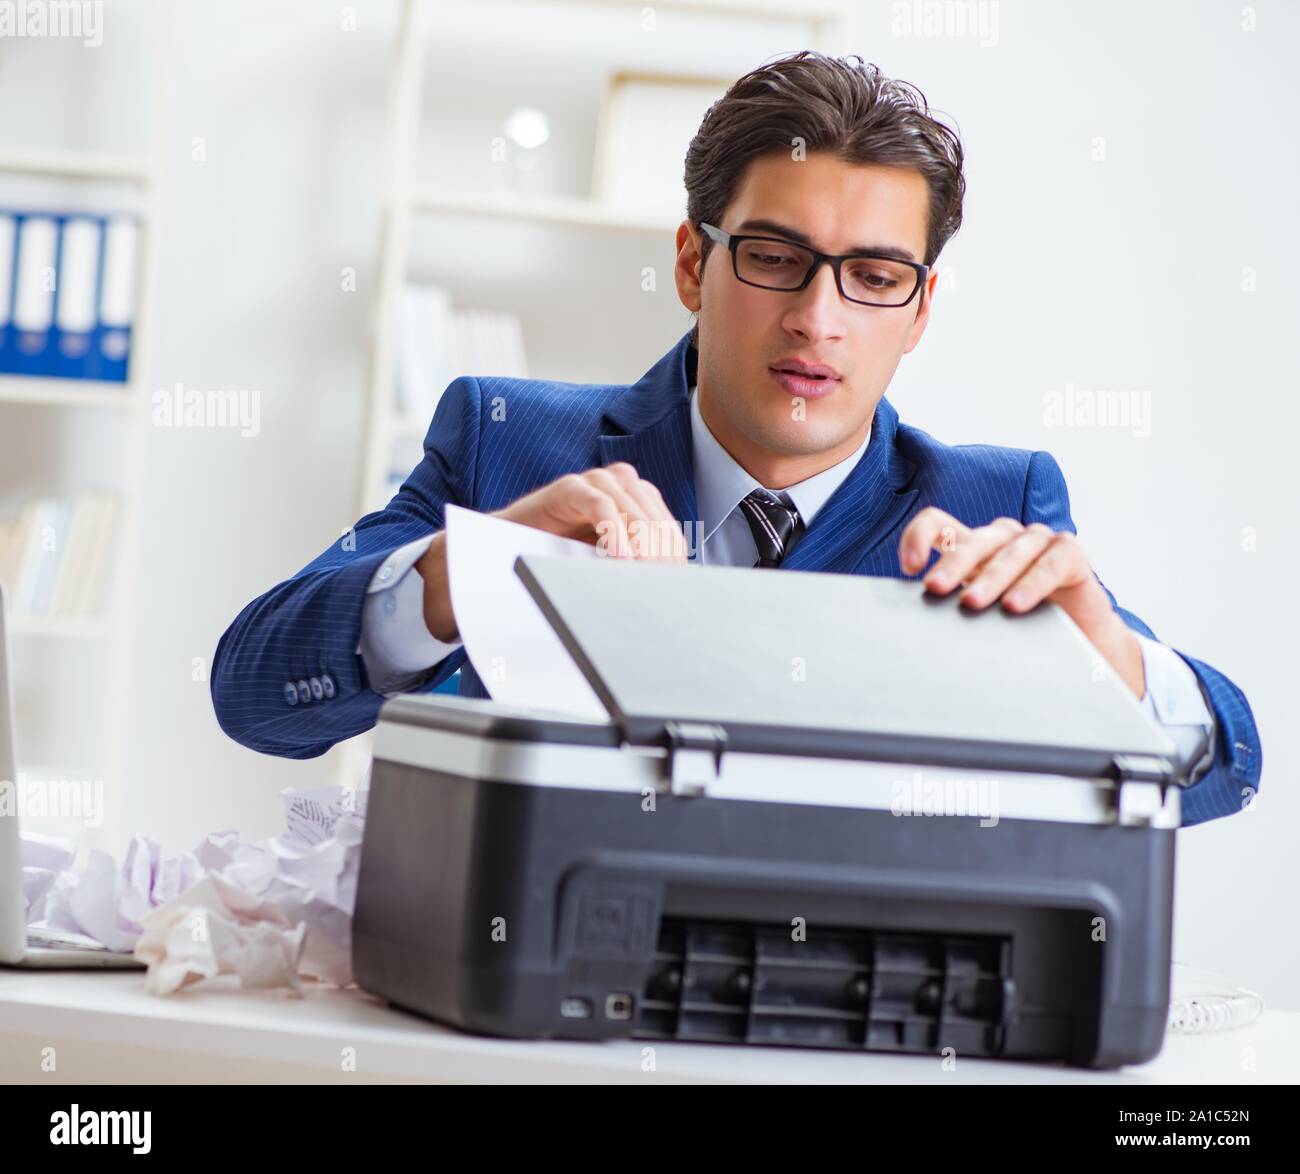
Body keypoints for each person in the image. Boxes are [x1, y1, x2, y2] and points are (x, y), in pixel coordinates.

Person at [211, 52, 1259, 827]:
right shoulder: (508, 442)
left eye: (875, 277)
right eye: (773, 256)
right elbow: (255, 695)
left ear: (919, 309)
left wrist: (1110, 668)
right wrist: (470, 567)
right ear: (691, 265)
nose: (818, 318)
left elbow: (1227, 768)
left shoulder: (996, 505)